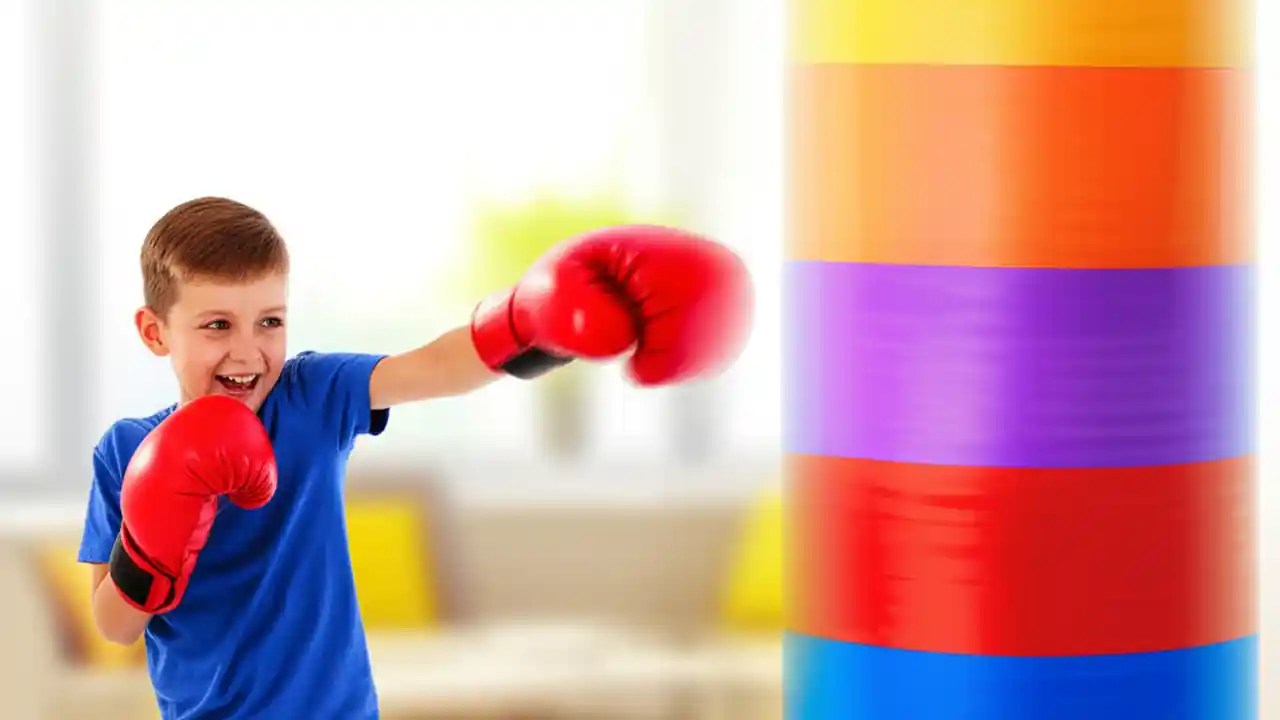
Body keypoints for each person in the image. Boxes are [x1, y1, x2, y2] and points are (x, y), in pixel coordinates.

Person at [77, 196, 753, 718]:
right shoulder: (125, 449)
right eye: (217, 324)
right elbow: (114, 625)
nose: (249, 350)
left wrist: (535, 321)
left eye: (270, 321)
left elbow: (434, 366)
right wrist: (155, 535)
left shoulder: (311, 396)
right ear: (154, 331)